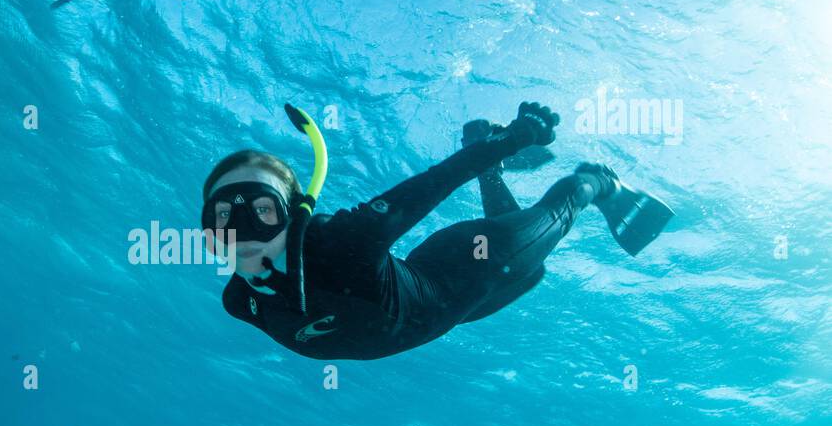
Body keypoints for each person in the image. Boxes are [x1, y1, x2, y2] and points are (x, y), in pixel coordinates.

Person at [200, 102, 673, 361]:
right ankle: (494, 163)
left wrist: (514, 137)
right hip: (447, 308)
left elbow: (434, 184)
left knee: (543, 236)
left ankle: (597, 182)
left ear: (293, 211)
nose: (241, 231)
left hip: (471, 265)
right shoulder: (240, 302)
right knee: (532, 274)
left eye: (260, 210)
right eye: (224, 215)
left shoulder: (339, 241)